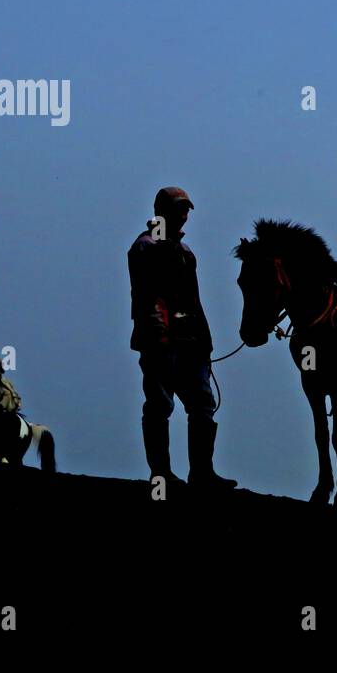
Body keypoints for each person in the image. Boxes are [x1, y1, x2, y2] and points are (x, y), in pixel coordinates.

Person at [128, 186, 236, 490]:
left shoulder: (185, 252)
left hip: (191, 342)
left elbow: (194, 302)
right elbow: (147, 298)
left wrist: (205, 339)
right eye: (179, 208)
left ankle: (202, 473)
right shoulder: (145, 247)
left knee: (202, 405)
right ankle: (161, 474)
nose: (184, 215)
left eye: (186, 209)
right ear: (162, 210)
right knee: (160, 406)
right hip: (160, 342)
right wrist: (159, 336)